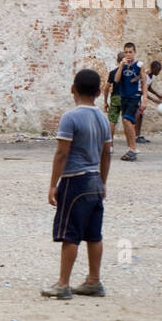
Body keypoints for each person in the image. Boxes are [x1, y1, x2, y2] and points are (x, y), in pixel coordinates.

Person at [42, 69, 112, 299]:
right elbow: (106, 153)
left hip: (75, 181)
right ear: (99, 92)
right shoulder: (103, 118)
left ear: (73, 89)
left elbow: (62, 152)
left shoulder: (70, 117)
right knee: (94, 234)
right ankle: (94, 280)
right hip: (94, 179)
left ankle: (63, 284)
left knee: (70, 234)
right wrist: (103, 181)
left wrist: (54, 184)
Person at [110, 42, 142, 160]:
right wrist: (121, 66)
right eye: (126, 52)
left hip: (135, 97)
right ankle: (131, 147)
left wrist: (145, 100)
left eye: (130, 52)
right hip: (124, 97)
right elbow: (116, 80)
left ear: (134, 52)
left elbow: (144, 81)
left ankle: (132, 149)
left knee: (126, 120)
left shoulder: (139, 65)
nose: (128, 54)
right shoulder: (122, 66)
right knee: (128, 123)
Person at [136, 60, 162, 143]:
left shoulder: (153, 76)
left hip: (140, 95)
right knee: (137, 116)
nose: (158, 72)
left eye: (159, 70)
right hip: (136, 94)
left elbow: (148, 87)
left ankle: (138, 135)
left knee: (140, 116)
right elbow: (142, 89)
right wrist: (153, 99)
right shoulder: (145, 75)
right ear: (152, 68)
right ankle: (135, 136)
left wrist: (157, 94)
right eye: (157, 70)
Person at [103, 51, 124, 138]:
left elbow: (106, 88)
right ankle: (131, 145)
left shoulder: (113, 73)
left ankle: (110, 144)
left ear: (117, 60)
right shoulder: (129, 73)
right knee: (127, 120)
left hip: (115, 97)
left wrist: (105, 101)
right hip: (126, 97)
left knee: (112, 121)